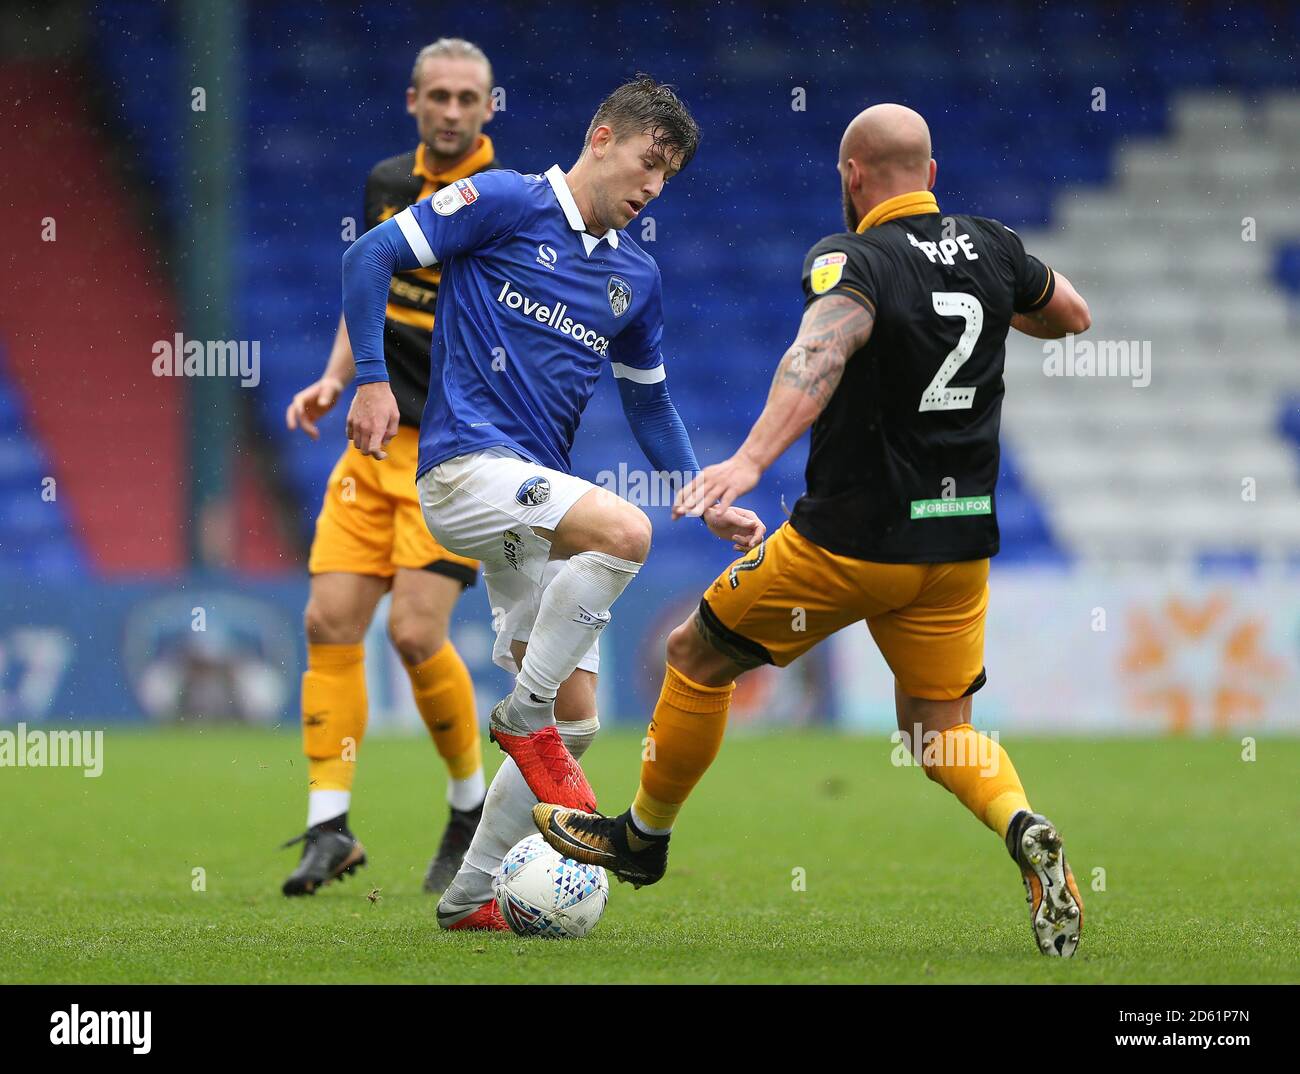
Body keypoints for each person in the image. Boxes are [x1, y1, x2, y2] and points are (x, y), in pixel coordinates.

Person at [535, 103, 1093, 958]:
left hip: (849, 543)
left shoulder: (852, 258)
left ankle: (641, 839)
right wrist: (988, 300)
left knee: (694, 656)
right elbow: (1072, 316)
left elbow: (820, 352)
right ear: (931, 175)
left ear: (852, 177)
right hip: (956, 546)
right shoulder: (994, 245)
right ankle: (1021, 823)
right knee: (938, 730)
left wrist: (749, 461)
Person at [341, 75, 764, 929]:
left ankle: (466, 901)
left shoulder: (635, 275)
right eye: (649, 163)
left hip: (527, 506)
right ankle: (520, 713)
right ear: (602, 138)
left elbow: (648, 400)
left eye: (669, 177)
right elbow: (369, 255)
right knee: (623, 531)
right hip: (464, 469)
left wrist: (701, 491)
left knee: (578, 727)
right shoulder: (504, 202)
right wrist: (374, 380)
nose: (654, 187)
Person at [280, 39, 501, 898]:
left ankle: (469, 804)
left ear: (489, 107)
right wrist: (336, 376)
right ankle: (329, 826)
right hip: (370, 443)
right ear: (413, 101)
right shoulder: (386, 183)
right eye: (438, 95)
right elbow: (367, 290)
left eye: (467, 98)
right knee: (329, 622)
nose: (451, 110)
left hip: (451, 455)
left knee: (414, 633)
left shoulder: (505, 203)